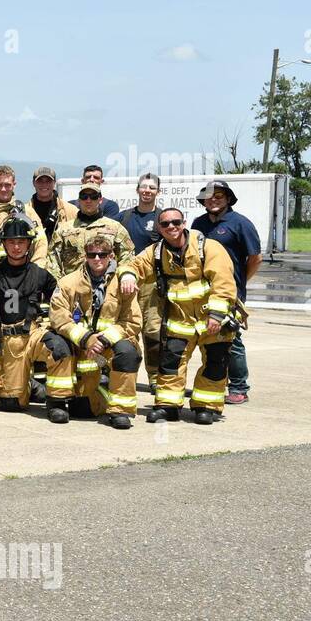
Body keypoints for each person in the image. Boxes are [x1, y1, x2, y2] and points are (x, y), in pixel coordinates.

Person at [118, 208, 238, 425]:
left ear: (184, 223)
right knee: (170, 363)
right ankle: (168, 406)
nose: (171, 227)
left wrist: (217, 314)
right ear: (159, 229)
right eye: (165, 224)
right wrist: (127, 276)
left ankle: (206, 406)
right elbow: (133, 264)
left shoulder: (209, 248)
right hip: (180, 322)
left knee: (215, 363)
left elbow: (223, 282)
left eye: (175, 222)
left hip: (212, 320)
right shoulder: (156, 252)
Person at [44, 235, 142, 429]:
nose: (97, 259)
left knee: (128, 353)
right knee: (57, 346)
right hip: (80, 346)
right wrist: (86, 338)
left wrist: (104, 340)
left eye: (102, 255)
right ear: (85, 256)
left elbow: (132, 321)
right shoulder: (67, 283)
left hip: (107, 347)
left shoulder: (124, 284)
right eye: (92, 255)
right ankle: (57, 403)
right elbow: (58, 317)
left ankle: (120, 411)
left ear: (111, 256)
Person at [191, 179, 260, 405]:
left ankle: (239, 387)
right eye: (209, 197)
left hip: (230, 293)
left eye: (218, 196)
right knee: (210, 339)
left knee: (232, 338)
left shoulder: (240, 223)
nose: (213, 200)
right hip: (203, 292)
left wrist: (238, 284)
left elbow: (255, 258)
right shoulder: (198, 224)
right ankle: (213, 384)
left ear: (228, 199)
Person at [0, 217, 58, 411]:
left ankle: (58, 401)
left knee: (60, 349)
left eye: (21, 242)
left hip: (32, 334)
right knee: (11, 404)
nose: (16, 247)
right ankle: (27, 385)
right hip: (6, 340)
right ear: (4, 244)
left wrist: (51, 327)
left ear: (29, 244)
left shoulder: (41, 275)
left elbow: (60, 301)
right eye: (12, 242)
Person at [119, 173, 165, 389]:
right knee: (127, 329)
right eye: (144, 187)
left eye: (152, 188)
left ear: (158, 192)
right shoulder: (124, 218)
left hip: (152, 284)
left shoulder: (163, 219)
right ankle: (127, 374)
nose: (147, 190)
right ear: (137, 190)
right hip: (126, 281)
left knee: (153, 332)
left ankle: (155, 378)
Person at [46, 181, 134, 279]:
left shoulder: (115, 227)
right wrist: (59, 284)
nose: (88, 200)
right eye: (84, 196)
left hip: (106, 286)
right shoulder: (64, 229)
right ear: (79, 200)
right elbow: (52, 258)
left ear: (100, 199)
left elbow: (127, 255)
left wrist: (124, 277)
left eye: (93, 196)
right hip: (74, 288)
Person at [27, 166, 76, 244]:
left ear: (54, 183)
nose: (44, 184)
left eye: (48, 181)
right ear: (33, 183)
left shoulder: (71, 211)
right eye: (40, 181)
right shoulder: (25, 212)